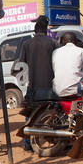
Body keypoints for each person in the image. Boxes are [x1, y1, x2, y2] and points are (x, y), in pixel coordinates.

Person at [22, 16, 57, 151]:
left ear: (35, 29)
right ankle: (51, 140)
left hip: (32, 86)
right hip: (50, 86)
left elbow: (21, 65)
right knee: (51, 114)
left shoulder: (27, 44)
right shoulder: (53, 43)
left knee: (30, 115)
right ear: (46, 29)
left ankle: (27, 143)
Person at [52, 32, 83, 97]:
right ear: (75, 41)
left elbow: (54, 70)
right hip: (75, 91)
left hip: (56, 90)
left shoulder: (55, 52)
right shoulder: (82, 51)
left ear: (63, 41)